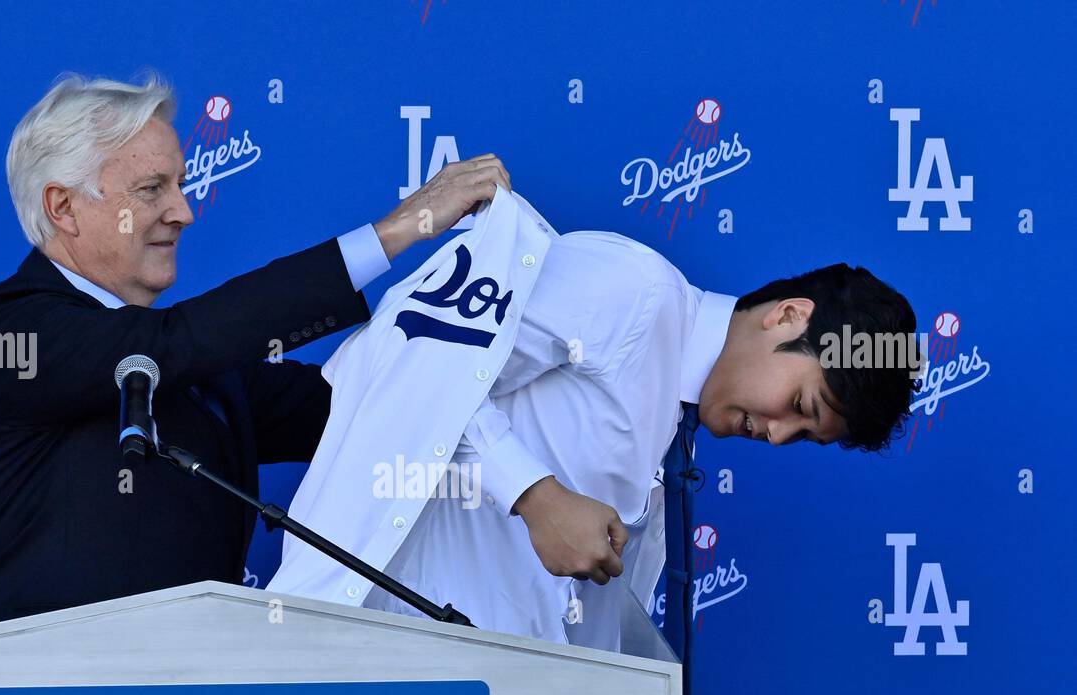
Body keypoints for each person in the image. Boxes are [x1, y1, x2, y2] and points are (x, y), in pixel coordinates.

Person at [0, 72, 512, 630]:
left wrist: (525, 444)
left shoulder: (198, 367)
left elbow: (361, 409)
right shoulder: (8, 337)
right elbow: (167, 345)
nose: (183, 212)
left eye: (181, 185)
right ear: (63, 208)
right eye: (150, 190)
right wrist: (396, 232)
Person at [269, 189, 918, 652]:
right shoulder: (632, 292)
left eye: (804, 436)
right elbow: (416, 352)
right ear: (787, 315)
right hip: (387, 670)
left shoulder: (674, 428)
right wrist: (534, 493)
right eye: (801, 406)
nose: (778, 434)